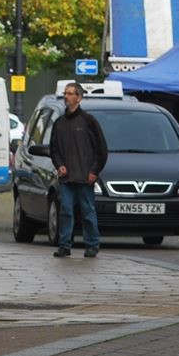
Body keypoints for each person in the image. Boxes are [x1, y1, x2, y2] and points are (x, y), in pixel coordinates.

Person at [49, 82, 109, 258]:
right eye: (65, 93)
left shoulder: (89, 121)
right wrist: (59, 164)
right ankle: (65, 245)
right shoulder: (59, 123)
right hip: (67, 178)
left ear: (79, 97)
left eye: (70, 94)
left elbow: (101, 149)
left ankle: (92, 245)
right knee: (65, 211)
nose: (66, 97)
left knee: (88, 212)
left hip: (85, 177)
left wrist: (94, 171)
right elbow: (54, 149)